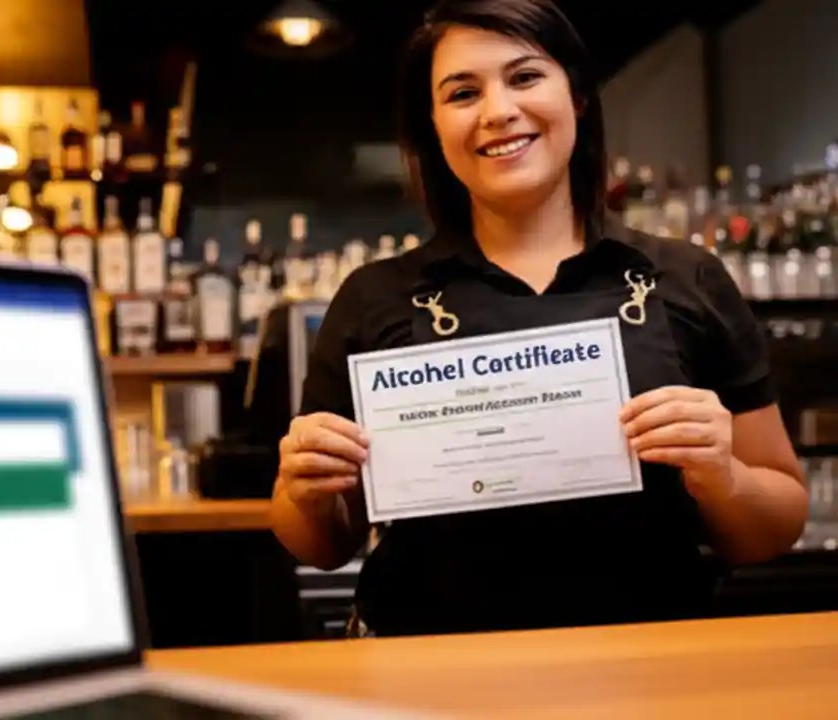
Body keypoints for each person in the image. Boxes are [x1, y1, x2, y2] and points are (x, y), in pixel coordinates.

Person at [269, 0, 808, 638]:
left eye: (524, 77)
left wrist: (724, 478)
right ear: (433, 127)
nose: (498, 111)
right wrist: (305, 492)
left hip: (651, 665)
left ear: (576, 96)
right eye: (463, 93)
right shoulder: (374, 297)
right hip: (427, 667)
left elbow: (776, 524)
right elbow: (322, 544)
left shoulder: (686, 278)